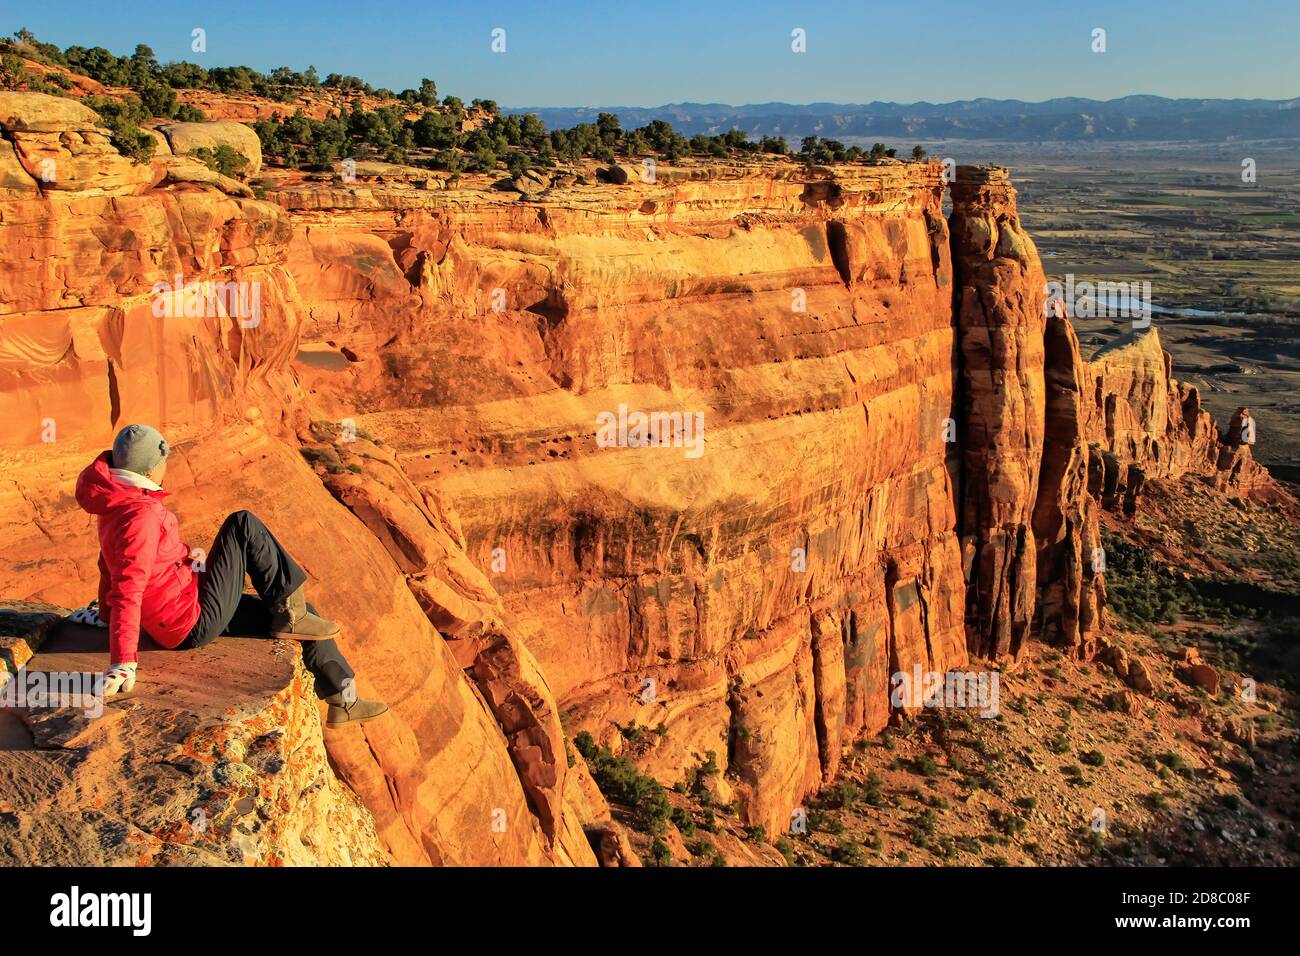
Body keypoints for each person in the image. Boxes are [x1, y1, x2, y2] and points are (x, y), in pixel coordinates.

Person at [74, 423, 388, 726]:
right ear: (146, 472)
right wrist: (123, 662)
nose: (164, 469)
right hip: (190, 623)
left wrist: (104, 615)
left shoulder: (116, 501)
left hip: (187, 598)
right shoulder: (140, 514)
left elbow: (108, 565)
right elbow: (129, 587)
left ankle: (344, 700)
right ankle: (290, 610)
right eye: (161, 463)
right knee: (242, 525)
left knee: (308, 615)